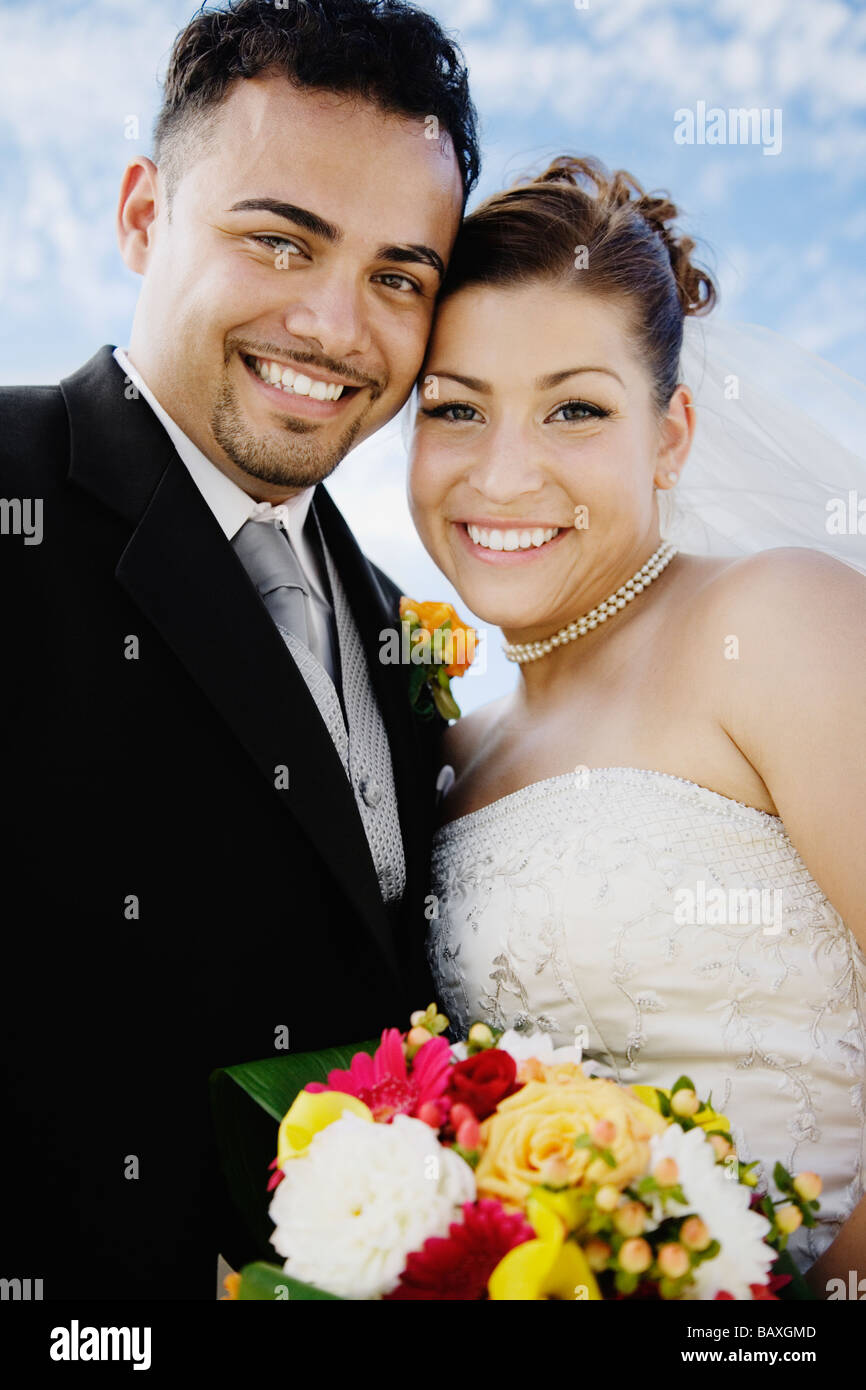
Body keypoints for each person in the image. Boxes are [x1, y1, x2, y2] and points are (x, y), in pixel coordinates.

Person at [0, 0, 478, 1299]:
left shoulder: (402, 625)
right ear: (143, 215)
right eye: (280, 240)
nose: (334, 327)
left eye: (397, 277)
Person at [409, 156, 866, 1288]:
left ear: (669, 437)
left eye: (574, 410)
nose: (502, 476)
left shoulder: (776, 621)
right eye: (456, 408)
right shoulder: (448, 755)